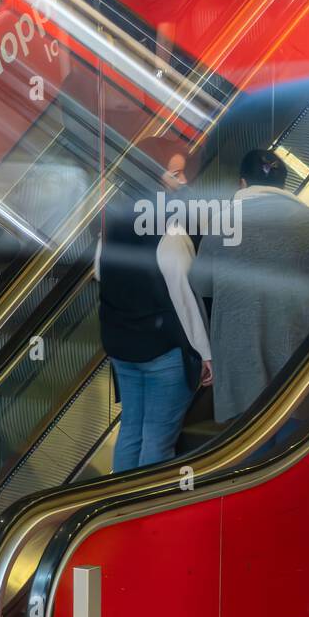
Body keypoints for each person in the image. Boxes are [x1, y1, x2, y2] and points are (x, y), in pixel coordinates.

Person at [190, 147, 309, 425]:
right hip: (301, 358)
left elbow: (200, 285)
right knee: (298, 437)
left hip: (242, 362)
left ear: (242, 183)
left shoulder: (222, 224)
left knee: (251, 442)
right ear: (282, 184)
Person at [95, 139, 212, 472]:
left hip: (122, 346)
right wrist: (206, 354)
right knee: (158, 440)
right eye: (174, 174)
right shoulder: (172, 233)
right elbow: (184, 299)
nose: (183, 181)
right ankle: (147, 515)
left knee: (131, 428)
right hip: (163, 352)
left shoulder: (112, 222)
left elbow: (100, 272)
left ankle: (117, 505)